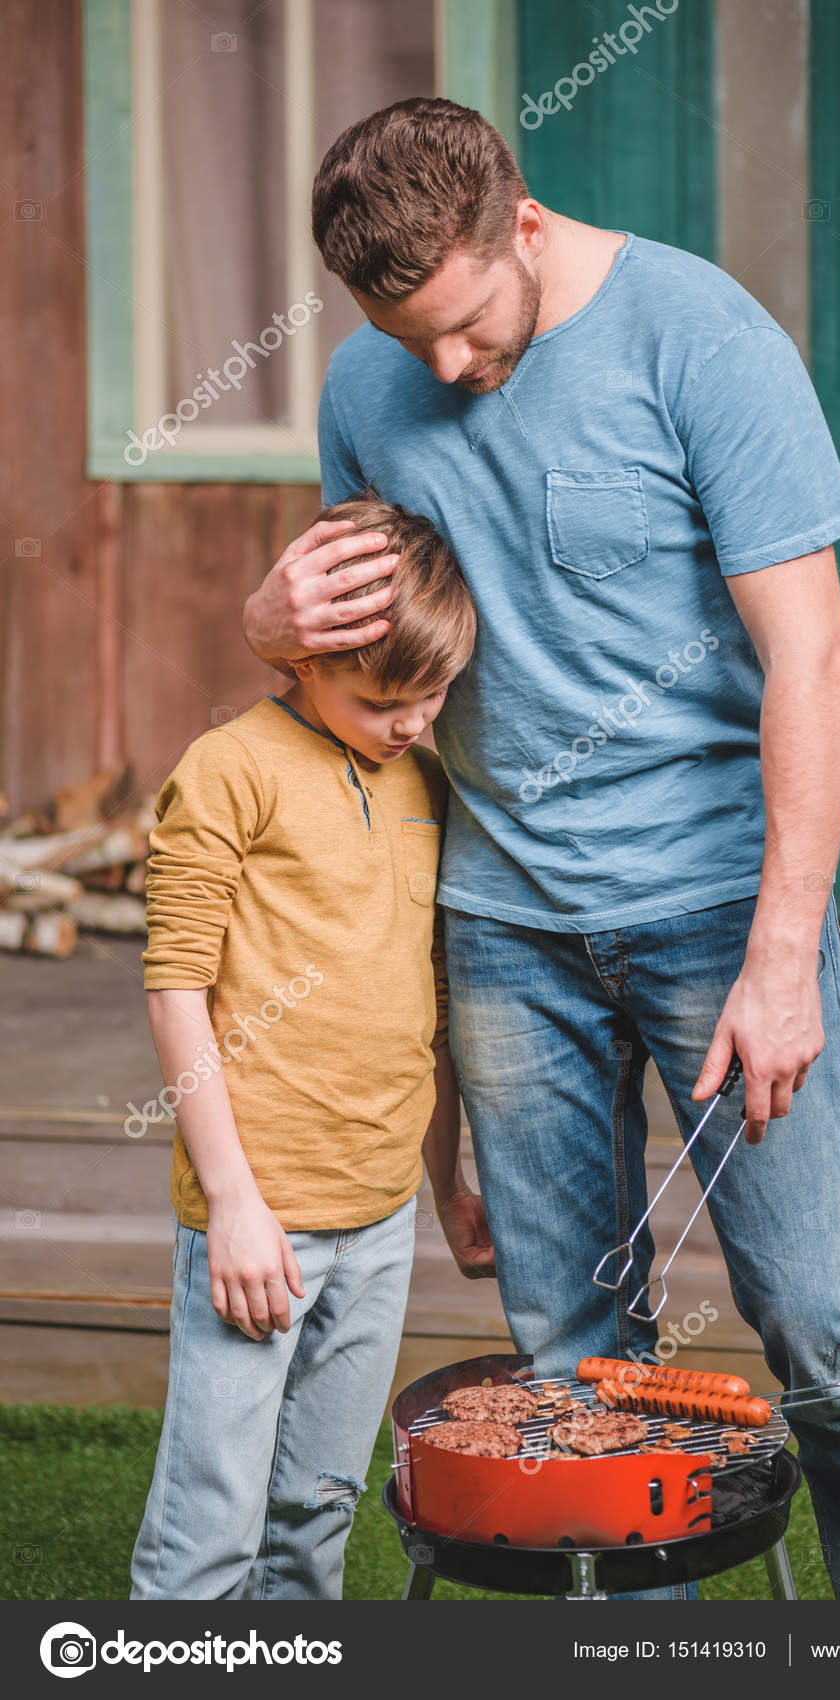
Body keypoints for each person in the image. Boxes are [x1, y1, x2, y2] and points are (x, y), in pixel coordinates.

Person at [243, 98, 840, 1602]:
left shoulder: (701, 338)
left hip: (717, 918)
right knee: (575, 1366)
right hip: (505, 926)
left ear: (523, 222)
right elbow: (367, 666)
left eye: (463, 326)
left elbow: (813, 661)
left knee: (823, 1329)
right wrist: (265, 631)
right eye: (403, 336)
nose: (441, 369)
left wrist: (782, 959)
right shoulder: (371, 383)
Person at [131, 491, 491, 1600]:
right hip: (262, 1215)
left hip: (379, 1214)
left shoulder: (422, 776)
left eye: (435, 694)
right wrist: (233, 1199)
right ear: (305, 660)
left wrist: (443, 1181)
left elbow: (421, 1000)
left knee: (315, 1521)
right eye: (386, 697)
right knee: (212, 1529)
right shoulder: (229, 768)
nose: (417, 720)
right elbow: (176, 986)